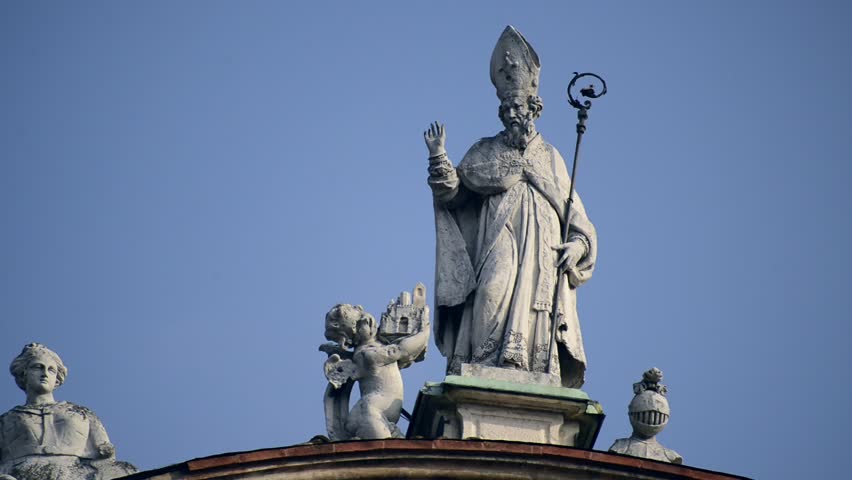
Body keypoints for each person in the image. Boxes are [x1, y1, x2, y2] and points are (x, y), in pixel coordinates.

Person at [425, 26, 596, 388]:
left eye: (519, 106)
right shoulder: (485, 150)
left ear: (534, 108)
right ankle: (483, 359)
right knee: (492, 288)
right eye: (507, 108)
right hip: (498, 234)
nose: (512, 113)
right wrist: (440, 158)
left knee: (536, 302)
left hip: (542, 244)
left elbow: (575, 213)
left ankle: (531, 366)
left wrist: (579, 244)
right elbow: (454, 196)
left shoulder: (549, 156)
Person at [0, 343, 136, 480]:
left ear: (57, 379)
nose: (45, 374)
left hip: (78, 473)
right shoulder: (6, 420)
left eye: (51, 370)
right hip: (21, 473)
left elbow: (105, 456)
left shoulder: (81, 414)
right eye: (38, 367)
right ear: (24, 373)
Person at [321, 304, 430, 439]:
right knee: (387, 454)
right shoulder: (369, 355)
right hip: (369, 413)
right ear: (350, 339)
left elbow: (405, 359)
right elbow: (401, 350)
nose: (369, 321)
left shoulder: (370, 350)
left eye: (365, 317)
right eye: (362, 324)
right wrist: (424, 332)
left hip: (376, 414)